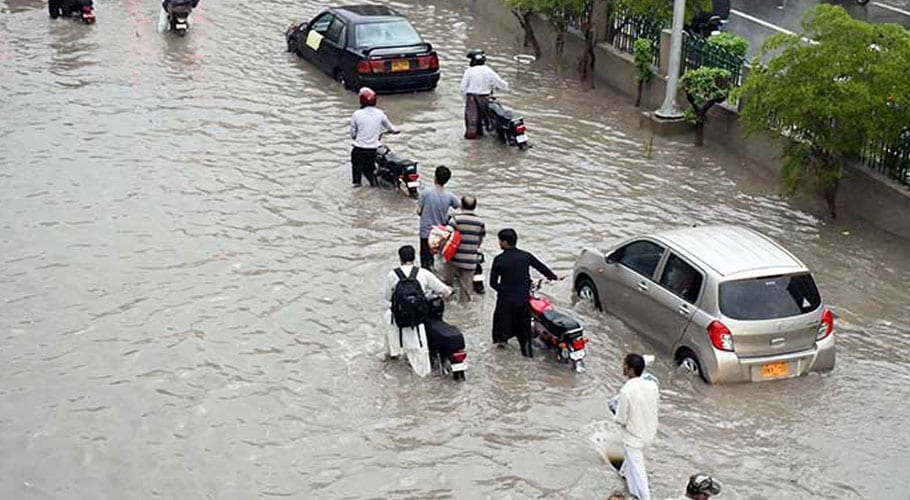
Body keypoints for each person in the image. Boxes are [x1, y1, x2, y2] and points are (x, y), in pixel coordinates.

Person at [489, 228, 558, 357]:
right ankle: (527, 356)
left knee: (501, 335)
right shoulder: (525, 256)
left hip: (506, 302)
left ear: (504, 242)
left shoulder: (499, 259)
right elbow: (541, 267)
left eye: (499, 240)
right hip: (522, 301)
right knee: (524, 335)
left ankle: (500, 359)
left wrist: (504, 291)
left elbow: (492, 283)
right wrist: (554, 277)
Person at [384, 245, 452, 375]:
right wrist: (449, 291)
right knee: (420, 351)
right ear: (414, 257)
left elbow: (387, 297)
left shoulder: (392, 274)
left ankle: (393, 358)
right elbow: (443, 289)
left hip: (397, 317)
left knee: (392, 339)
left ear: (400, 258)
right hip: (417, 318)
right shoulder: (423, 273)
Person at [613, 353, 660, 500]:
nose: (623, 367)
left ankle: (645, 497)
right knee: (632, 462)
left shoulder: (626, 391)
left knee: (639, 472)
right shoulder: (652, 386)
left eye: (625, 365)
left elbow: (620, 419)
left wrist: (614, 410)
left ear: (631, 370)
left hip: (634, 438)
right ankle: (625, 473)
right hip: (649, 433)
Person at [350, 87, 399, 187]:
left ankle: (357, 186)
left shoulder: (356, 114)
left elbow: (353, 133)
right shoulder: (380, 114)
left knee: (356, 178)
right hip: (372, 151)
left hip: (358, 150)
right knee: (370, 173)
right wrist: (395, 131)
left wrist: (358, 138)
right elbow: (390, 127)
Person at [417, 166, 460, 269]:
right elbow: (458, 206)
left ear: (435, 177)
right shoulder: (450, 196)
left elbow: (419, 211)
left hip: (426, 232)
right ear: (447, 181)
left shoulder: (426, 192)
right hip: (440, 234)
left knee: (425, 260)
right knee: (438, 258)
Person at [459, 50, 509, 139]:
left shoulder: (469, 71)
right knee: (488, 120)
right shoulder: (488, 71)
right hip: (485, 99)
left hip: (471, 100)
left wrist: (465, 100)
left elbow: (463, 88)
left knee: (472, 123)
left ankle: (472, 145)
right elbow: (502, 84)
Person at [443, 196, 485, 302]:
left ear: (461, 205)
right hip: (470, 261)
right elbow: (480, 241)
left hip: (454, 258)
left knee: (447, 285)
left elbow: (446, 234)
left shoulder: (456, 219)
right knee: (466, 291)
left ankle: (448, 306)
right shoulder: (480, 222)